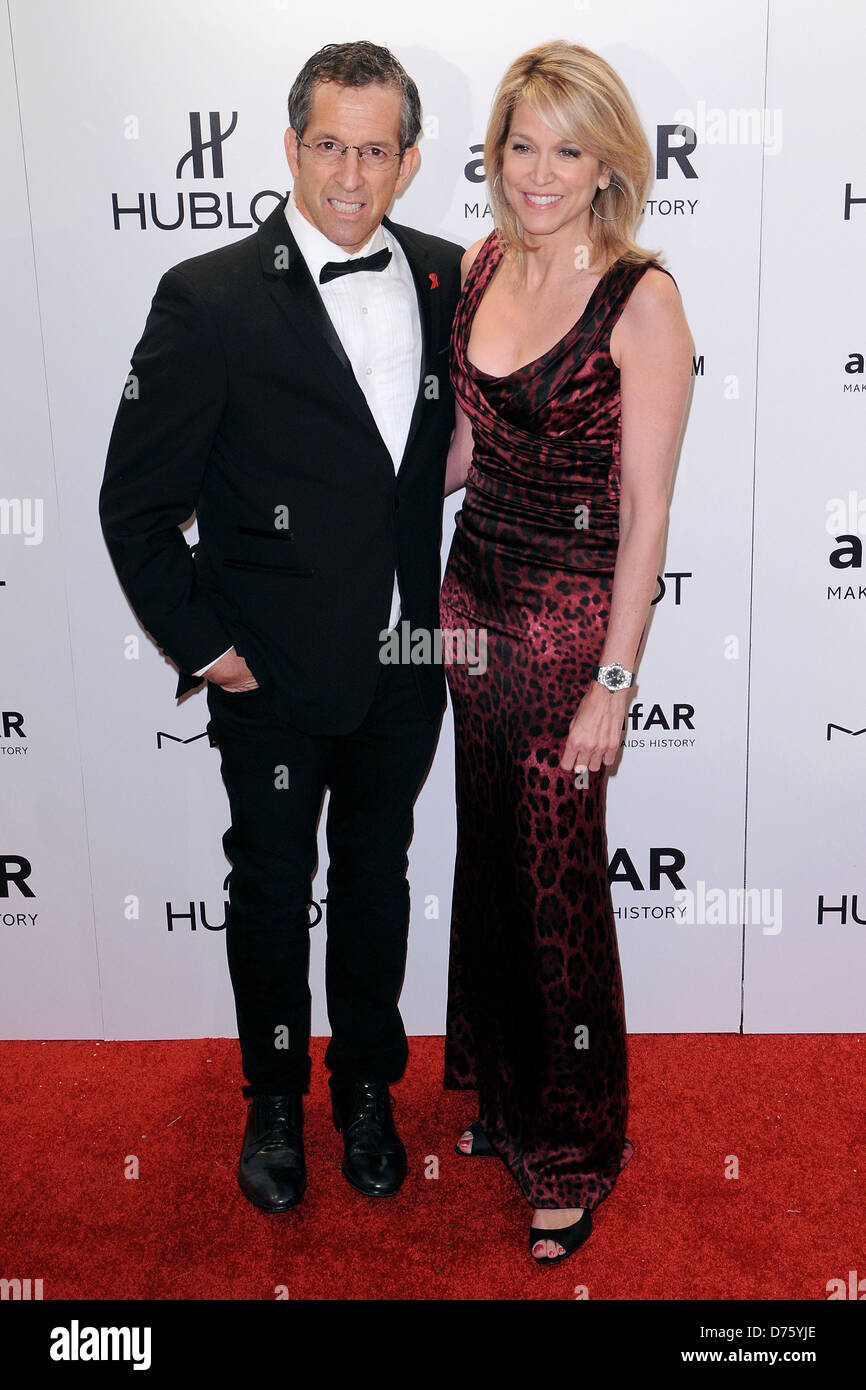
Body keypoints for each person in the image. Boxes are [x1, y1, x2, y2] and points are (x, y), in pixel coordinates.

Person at [99, 40, 463, 1213]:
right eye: (327, 144)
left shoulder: (457, 279)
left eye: (374, 148)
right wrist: (209, 651)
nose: (349, 173)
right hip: (268, 669)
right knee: (268, 888)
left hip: (406, 660)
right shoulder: (204, 298)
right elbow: (135, 504)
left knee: (376, 878)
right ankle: (271, 1097)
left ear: (408, 158)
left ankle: (364, 1085)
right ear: (290, 144)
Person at [440, 40, 693, 1263]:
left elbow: (646, 512)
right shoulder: (487, 261)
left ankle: (576, 1145)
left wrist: (612, 680)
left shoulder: (638, 297)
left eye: (567, 149)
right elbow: (461, 446)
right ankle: (504, 1096)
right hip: (468, 602)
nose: (539, 173)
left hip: (562, 627)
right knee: (489, 856)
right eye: (520, 144)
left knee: (557, 895)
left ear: (608, 164)